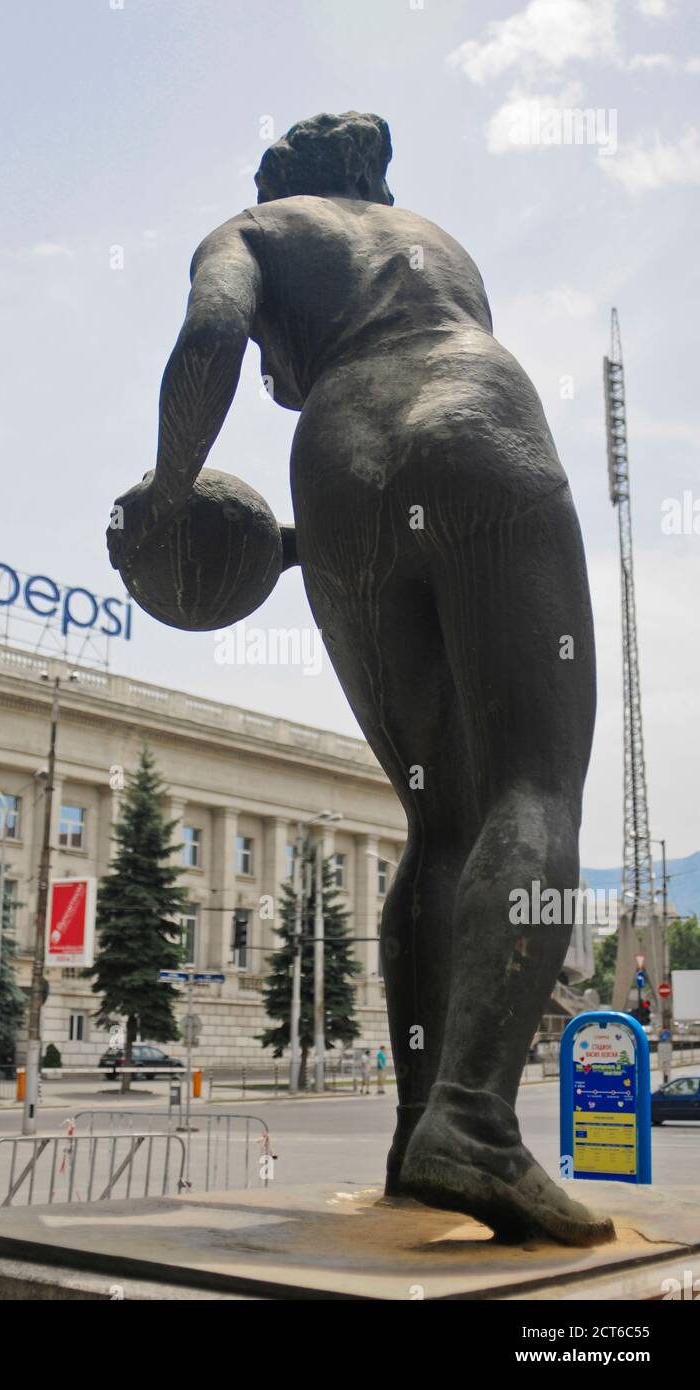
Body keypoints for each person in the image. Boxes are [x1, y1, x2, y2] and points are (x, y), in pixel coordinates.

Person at [107, 111, 612, 1246]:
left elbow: (210, 342)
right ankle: (472, 1123)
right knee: (531, 787)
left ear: (279, 177)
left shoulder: (250, 228)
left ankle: (414, 1133)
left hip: (335, 467)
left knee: (435, 824)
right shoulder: (433, 245)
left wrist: (175, 496)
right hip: (476, 414)